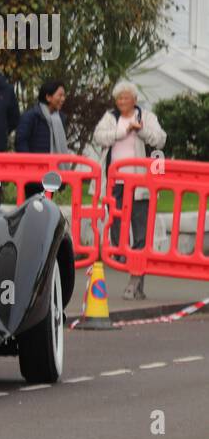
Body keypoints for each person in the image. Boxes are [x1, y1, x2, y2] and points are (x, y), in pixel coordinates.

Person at [92, 81, 167, 300]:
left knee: (141, 232)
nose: (122, 102)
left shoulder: (147, 116)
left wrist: (140, 129)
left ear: (134, 100)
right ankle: (126, 263)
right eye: (119, 99)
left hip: (141, 185)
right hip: (115, 183)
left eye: (126, 98)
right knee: (116, 227)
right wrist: (123, 130)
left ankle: (135, 282)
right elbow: (99, 136)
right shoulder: (111, 117)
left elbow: (160, 140)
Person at [15, 80, 68, 198]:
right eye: (60, 95)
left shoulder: (60, 119)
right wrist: (31, 165)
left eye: (64, 95)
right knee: (33, 207)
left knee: (47, 206)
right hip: (33, 175)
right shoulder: (31, 116)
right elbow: (21, 142)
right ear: (48, 97)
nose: (63, 99)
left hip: (52, 172)